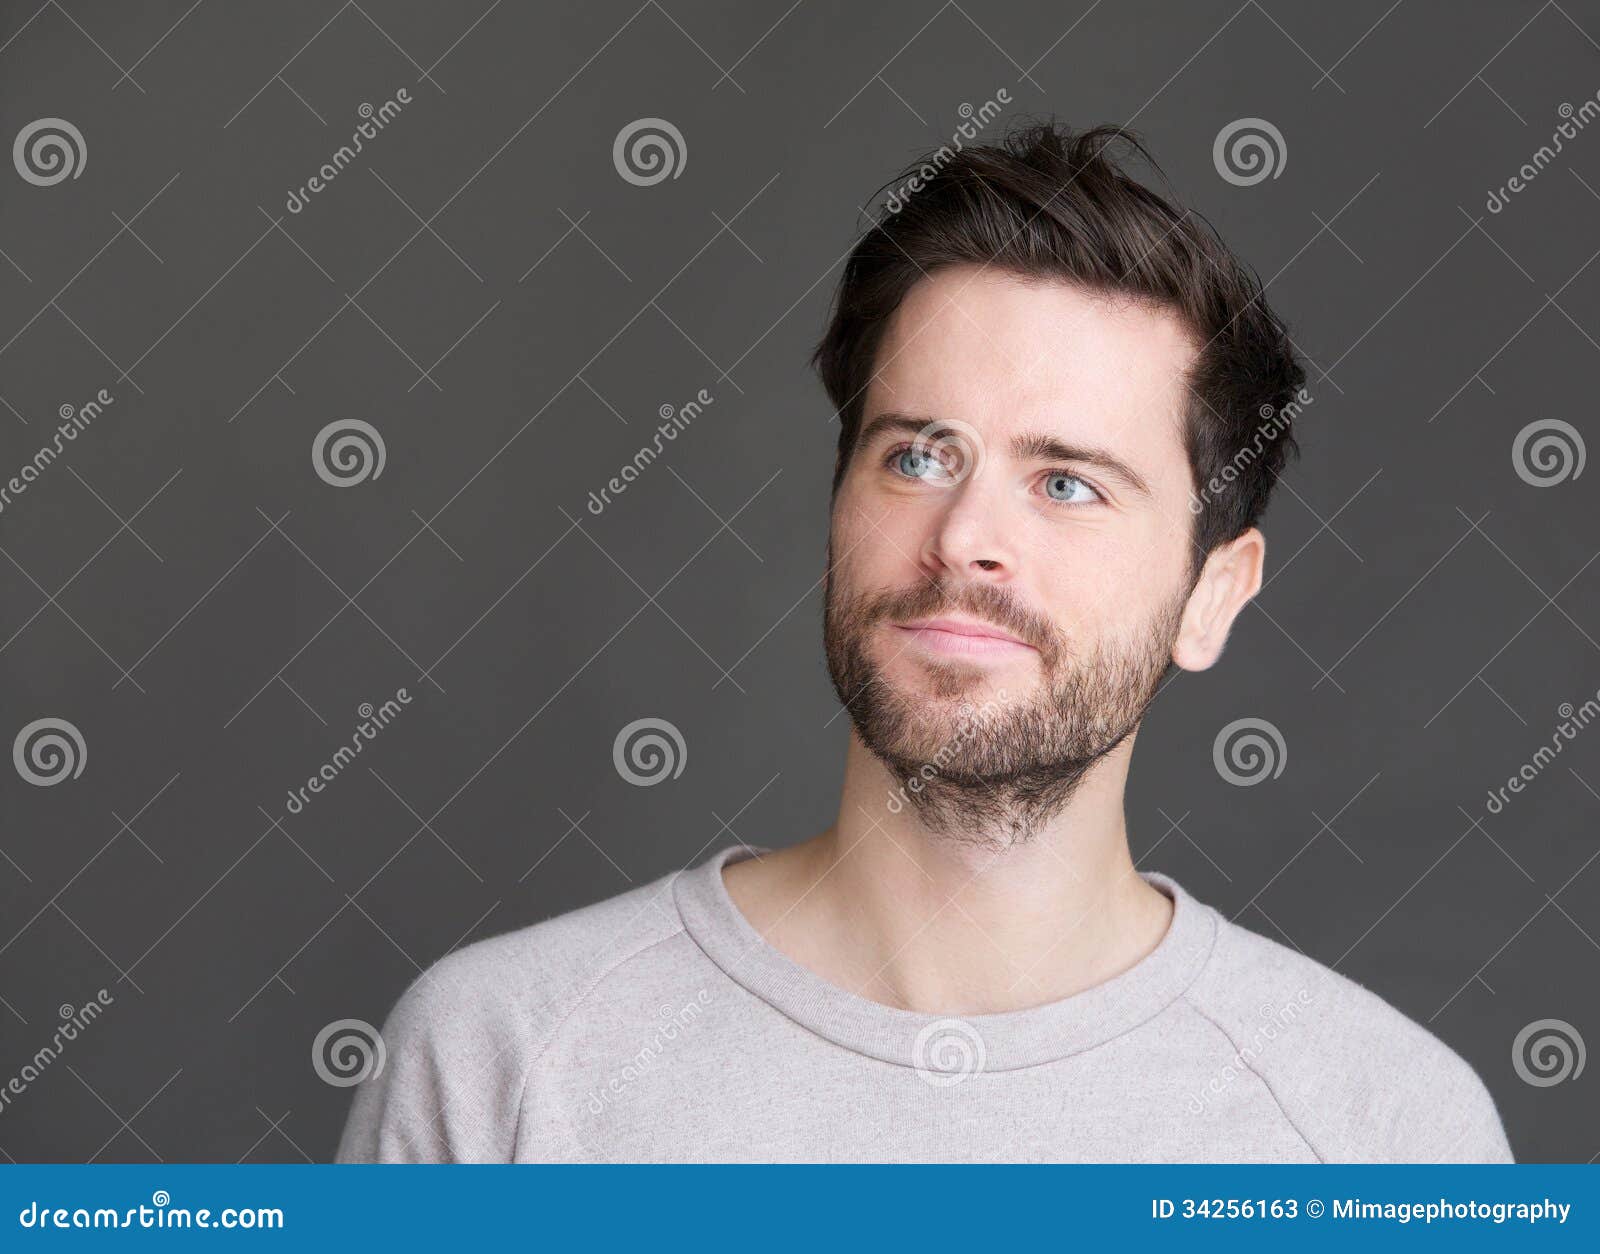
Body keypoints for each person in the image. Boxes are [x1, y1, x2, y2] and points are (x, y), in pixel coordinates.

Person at [337, 122, 1512, 1163]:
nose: (965, 539)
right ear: (839, 503)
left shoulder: (1382, 1135)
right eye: (916, 457)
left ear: (1212, 595)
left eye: (1066, 483)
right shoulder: (499, 1059)